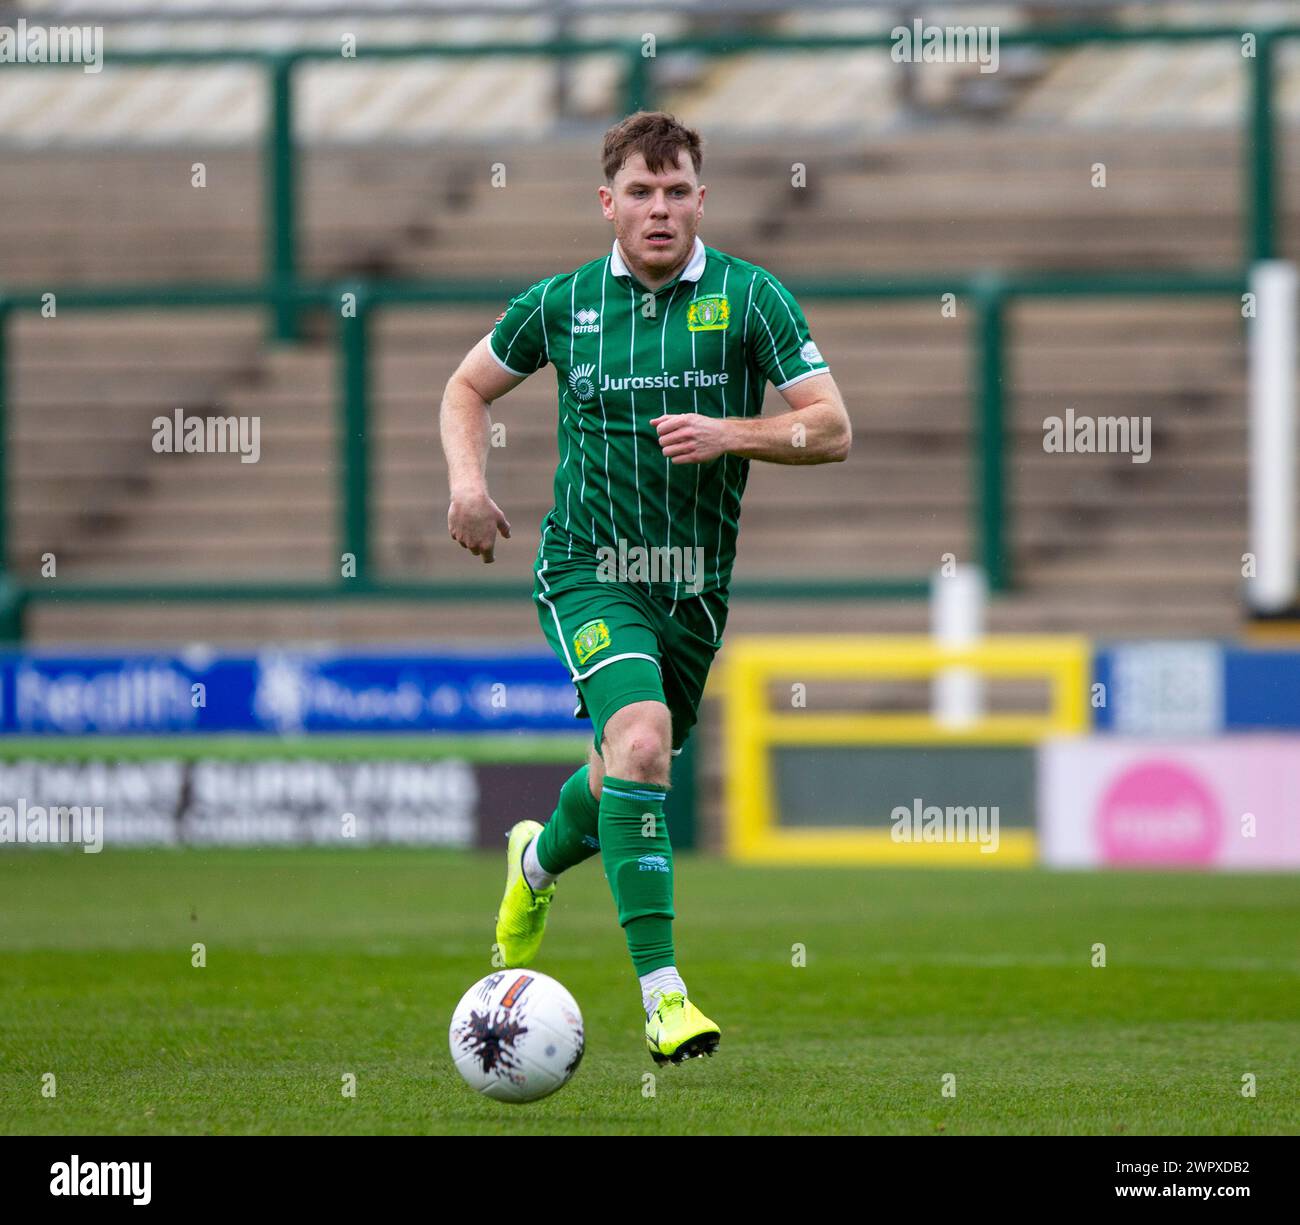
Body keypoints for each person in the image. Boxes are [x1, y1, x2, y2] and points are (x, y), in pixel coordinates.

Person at [440, 111, 852, 1065]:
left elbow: (831, 429)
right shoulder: (561, 303)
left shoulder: (753, 301)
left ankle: (536, 859)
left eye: (676, 193)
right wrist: (468, 485)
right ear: (607, 203)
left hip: (693, 596)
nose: (659, 209)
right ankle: (664, 999)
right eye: (640, 192)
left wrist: (731, 432)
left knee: (631, 764)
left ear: (701, 200)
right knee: (639, 739)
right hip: (589, 572)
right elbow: (465, 388)